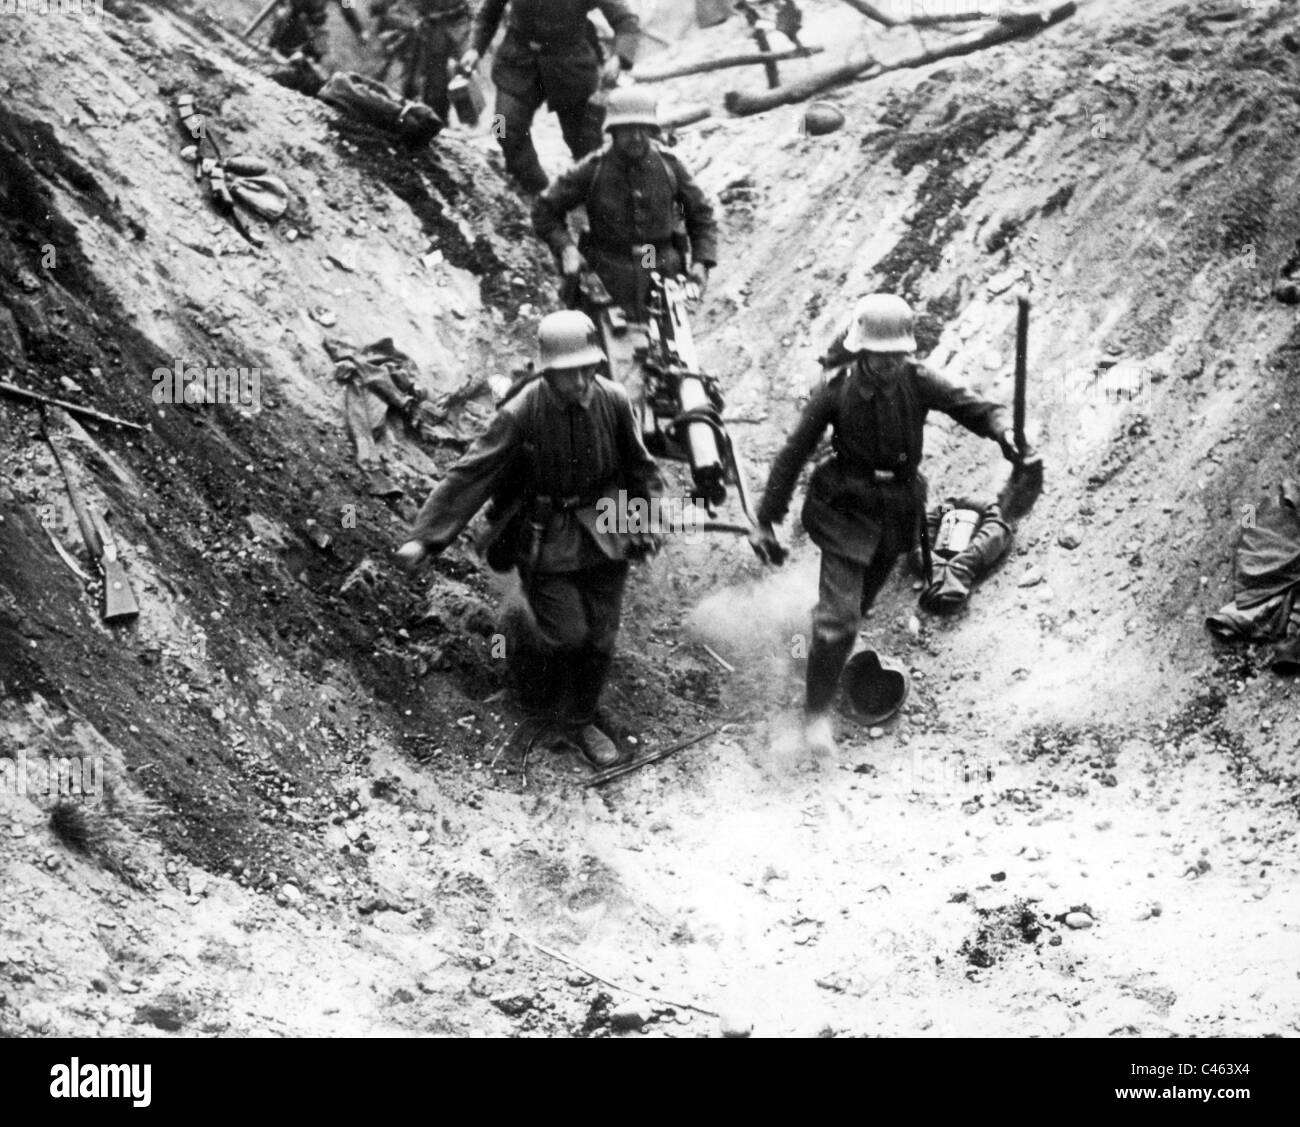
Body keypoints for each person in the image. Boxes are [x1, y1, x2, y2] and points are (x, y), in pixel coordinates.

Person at [748, 293, 1034, 759]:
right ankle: (815, 713)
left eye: (896, 356)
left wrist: (1006, 431)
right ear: (862, 352)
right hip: (845, 509)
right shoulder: (836, 392)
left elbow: (975, 408)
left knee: (854, 610)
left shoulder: (917, 381)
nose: (887, 366)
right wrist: (766, 520)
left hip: (895, 514)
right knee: (839, 623)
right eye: (879, 358)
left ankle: (812, 645)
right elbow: (794, 452)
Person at [395, 311, 664, 767]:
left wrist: (645, 522)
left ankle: (579, 720)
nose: (579, 382)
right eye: (567, 373)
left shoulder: (615, 401)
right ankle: (527, 654)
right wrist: (427, 538)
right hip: (549, 536)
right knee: (569, 634)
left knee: (601, 638)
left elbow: (642, 470)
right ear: (547, 371)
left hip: (606, 528)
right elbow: (473, 471)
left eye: (587, 369)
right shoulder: (523, 411)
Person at [532, 87, 718, 321]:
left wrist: (702, 262)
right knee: (611, 348)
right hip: (608, 277)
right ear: (614, 131)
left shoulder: (670, 166)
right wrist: (566, 248)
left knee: (669, 348)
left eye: (643, 129)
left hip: (660, 268)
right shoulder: (594, 168)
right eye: (629, 129)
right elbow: (544, 210)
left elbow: (701, 215)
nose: (637, 137)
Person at [459, 0, 641, 194]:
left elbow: (626, 19)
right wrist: (474, 48)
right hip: (517, 62)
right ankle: (534, 188)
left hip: (570, 66)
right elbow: (488, 12)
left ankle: (598, 194)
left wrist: (619, 57)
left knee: (585, 142)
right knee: (501, 125)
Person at [371, 0, 472, 124]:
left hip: (453, 23)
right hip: (432, 26)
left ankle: (450, 119)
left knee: (460, 74)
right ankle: (435, 121)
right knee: (433, 79)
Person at [267, 0, 368, 62]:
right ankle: (272, 49)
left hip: (310, 19)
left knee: (321, 39)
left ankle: (302, 62)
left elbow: (348, 9)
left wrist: (360, 31)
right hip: (290, 10)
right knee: (284, 13)